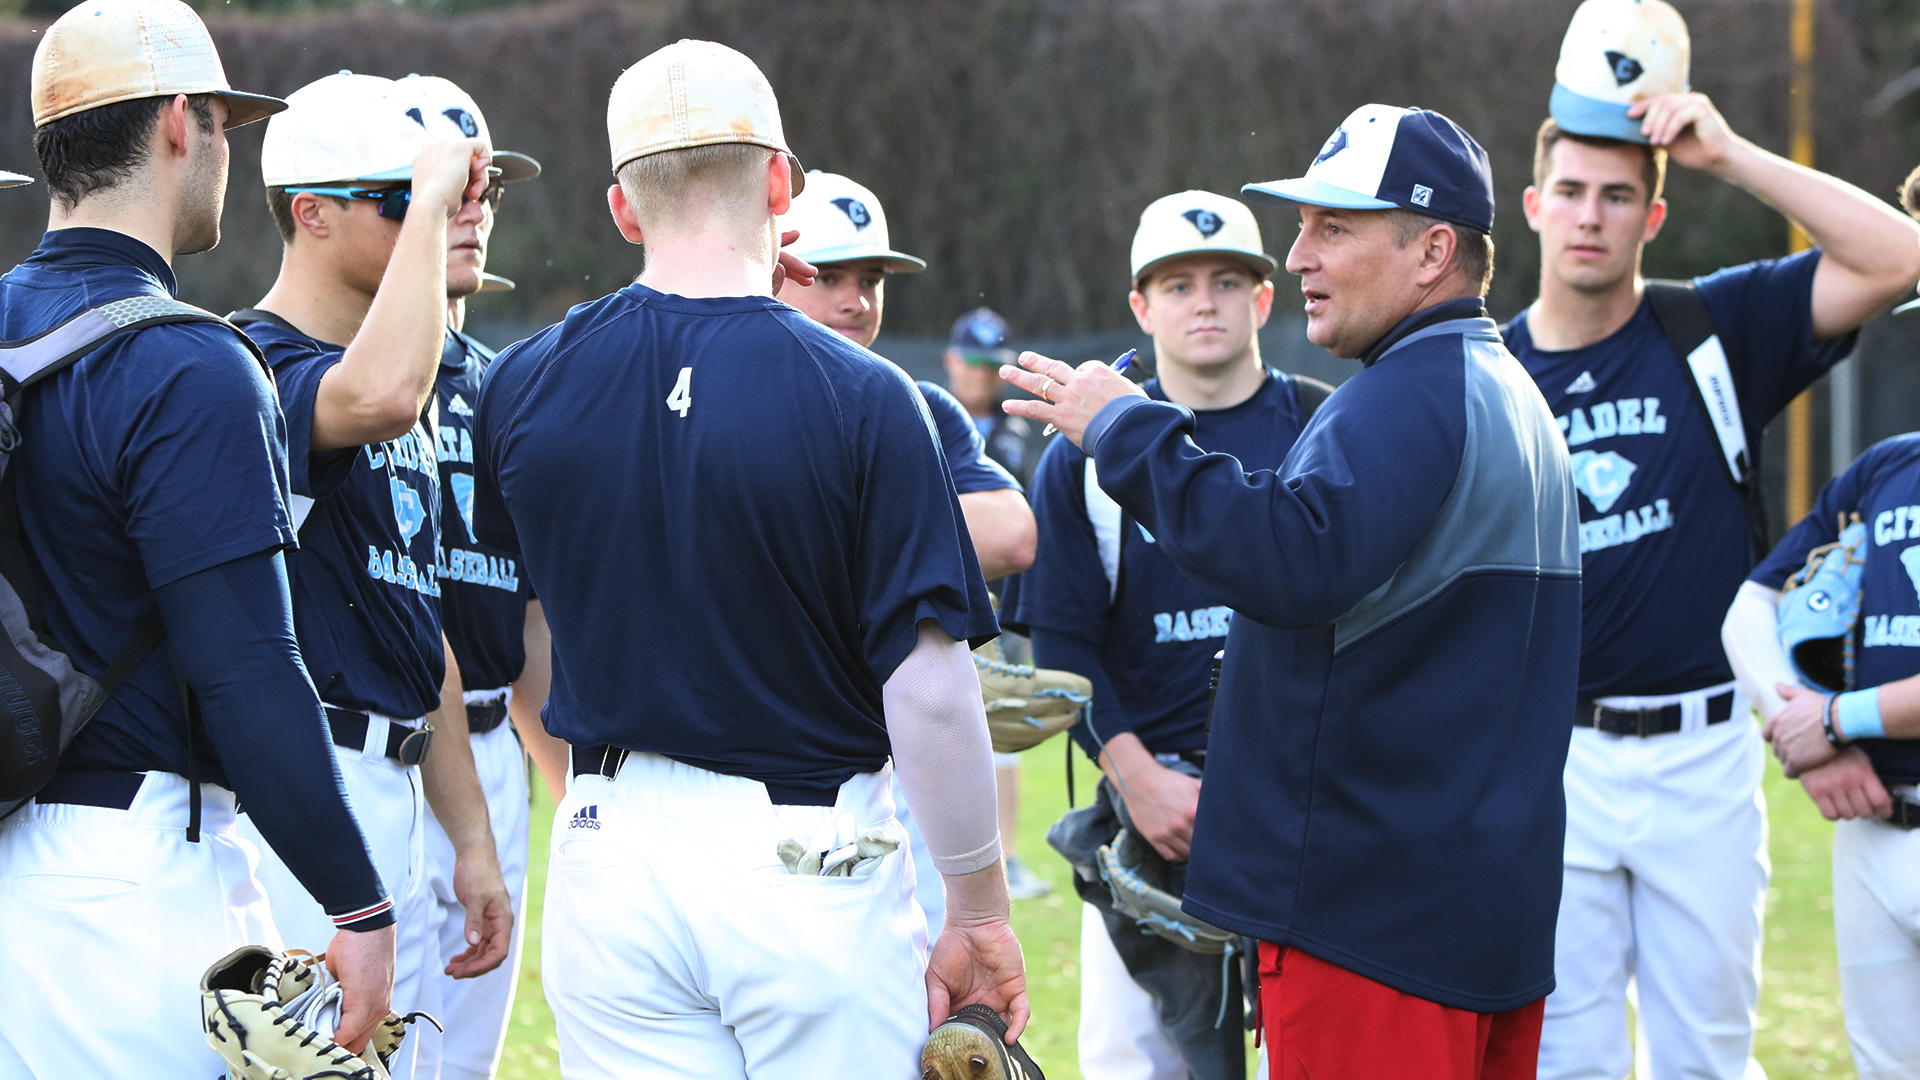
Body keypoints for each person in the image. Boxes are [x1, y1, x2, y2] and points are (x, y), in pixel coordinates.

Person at [471, 39, 1028, 1078]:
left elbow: (523, 637)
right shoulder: (865, 395)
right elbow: (930, 688)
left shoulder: (523, 382)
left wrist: (588, 800)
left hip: (610, 848)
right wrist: (980, 905)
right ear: (780, 182)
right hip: (807, 858)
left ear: (623, 209)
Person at [1004, 104, 1581, 1079]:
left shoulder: (1412, 391)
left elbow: (1291, 561)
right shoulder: (1499, 385)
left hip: (1378, 931)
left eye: (1334, 226)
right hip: (1464, 913)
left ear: (1434, 249)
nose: (1300, 251)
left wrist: (1125, 429)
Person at [1503, 3, 1920, 1073]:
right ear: (1534, 205)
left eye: (1620, 197)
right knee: (1570, 1063)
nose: (1591, 217)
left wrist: (1728, 153)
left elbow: (1898, 257)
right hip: (1556, 755)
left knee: (1709, 1059)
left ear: (1653, 217)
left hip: (1704, 750)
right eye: (1573, 195)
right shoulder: (1488, 376)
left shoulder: (1711, 327)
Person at [0, 0, 397, 1074]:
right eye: (226, 123)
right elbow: (247, 668)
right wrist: (358, 904)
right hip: (131, 880)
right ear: (183, 122)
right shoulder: (192, 363)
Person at [1002, 189, 1327, 1080]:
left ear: (1266, 299)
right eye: (1177, 285)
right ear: (1142, 309)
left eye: (1229, 280)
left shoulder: (1323, 423)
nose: (1206, 301)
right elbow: (1062, 645)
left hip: (1308, 808)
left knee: (1316, 1053)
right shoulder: (1082, 450)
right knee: (1132, 1063)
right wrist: (1138, 779)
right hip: (1151, 815)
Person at [232, 70, 515, 1080]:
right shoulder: (247, 364)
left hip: (394, 782)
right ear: (310, 215)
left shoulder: (390, 376)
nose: (443, 219)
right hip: (301, 793)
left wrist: (472, 841)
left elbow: (416, 622)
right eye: (401, 200)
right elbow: (384, 394)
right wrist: (440, 201)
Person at [772, 168, 1047, 924]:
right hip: (748, 776)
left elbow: (1011, 532)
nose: (854, 300)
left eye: (871, 278)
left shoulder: (918, 404)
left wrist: (836, 514)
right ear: (776, 262)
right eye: (828, 275)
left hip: (893, 765)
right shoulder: (721, 393)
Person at [395, 73, 553, 1080]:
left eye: (486, 192)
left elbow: (529, 616)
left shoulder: (505, 386)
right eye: (450, 190)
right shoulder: (328, 378)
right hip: (374, 749)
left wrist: (575, 799)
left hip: (493, 751)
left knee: (461, 1065)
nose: (474, 213)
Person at [946, 306, 1046, 489]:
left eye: (994, 364)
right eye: (973, 361)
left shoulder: (1016, 431)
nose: (983, 373)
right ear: (950, 361)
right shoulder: (930, 420)